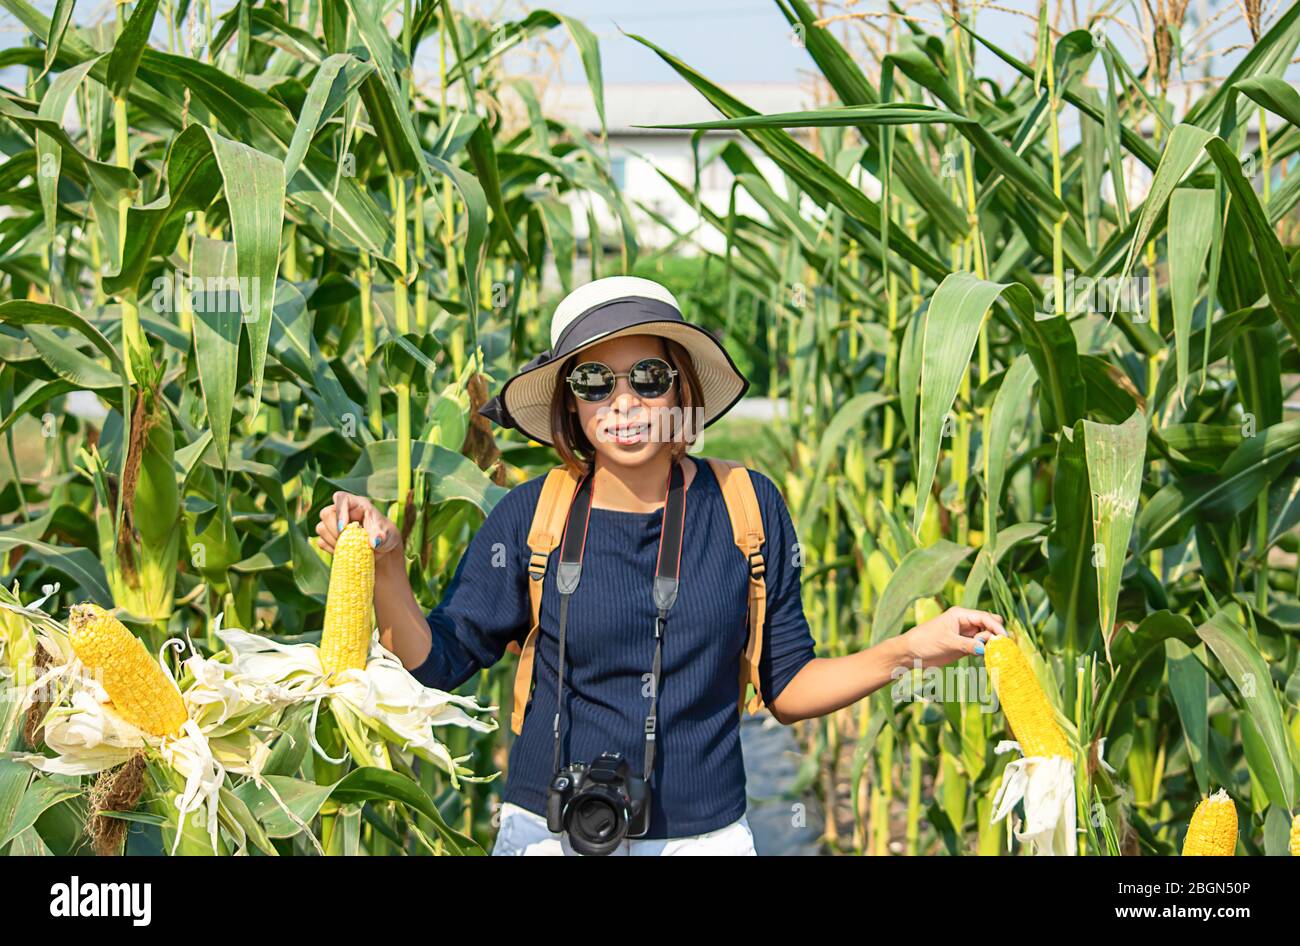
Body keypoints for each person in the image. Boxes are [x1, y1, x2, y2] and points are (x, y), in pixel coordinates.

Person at [315, 276, 1005, 855]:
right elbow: (434, 662)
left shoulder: (745, 507)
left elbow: (787, 688)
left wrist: (911, 649)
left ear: (681, 392)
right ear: (570, 403)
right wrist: (387, 567)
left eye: (649, 378)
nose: (623, 402)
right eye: (593, 381)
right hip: (549, 832)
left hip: (702, 838)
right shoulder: (534, 514)